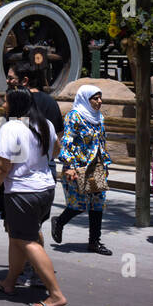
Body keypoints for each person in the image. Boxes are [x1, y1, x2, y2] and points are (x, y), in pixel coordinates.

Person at [0, 89, 68, 306]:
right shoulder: (46, 124)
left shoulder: (11, 128)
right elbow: (55, 151)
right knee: (17, 238)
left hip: (22, 192)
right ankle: (9, 283)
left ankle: (55, 294)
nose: (3, 105)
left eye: (5, 101)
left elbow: (3, 167)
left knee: (27, 241)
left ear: (14, 104)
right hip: (45, 188)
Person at [53, 85, 112, 255]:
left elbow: (101, 142)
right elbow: (67, 141)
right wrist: (70, 166)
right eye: (95, 98)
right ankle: (59, 221)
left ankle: (94, 242)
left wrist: (105, 164)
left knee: (97, 204)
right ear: (86, 99)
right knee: (78, 205)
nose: (99, 101)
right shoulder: (74, 116)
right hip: (77, 165)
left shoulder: (99, 118)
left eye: (100, 98)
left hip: (96, 166)